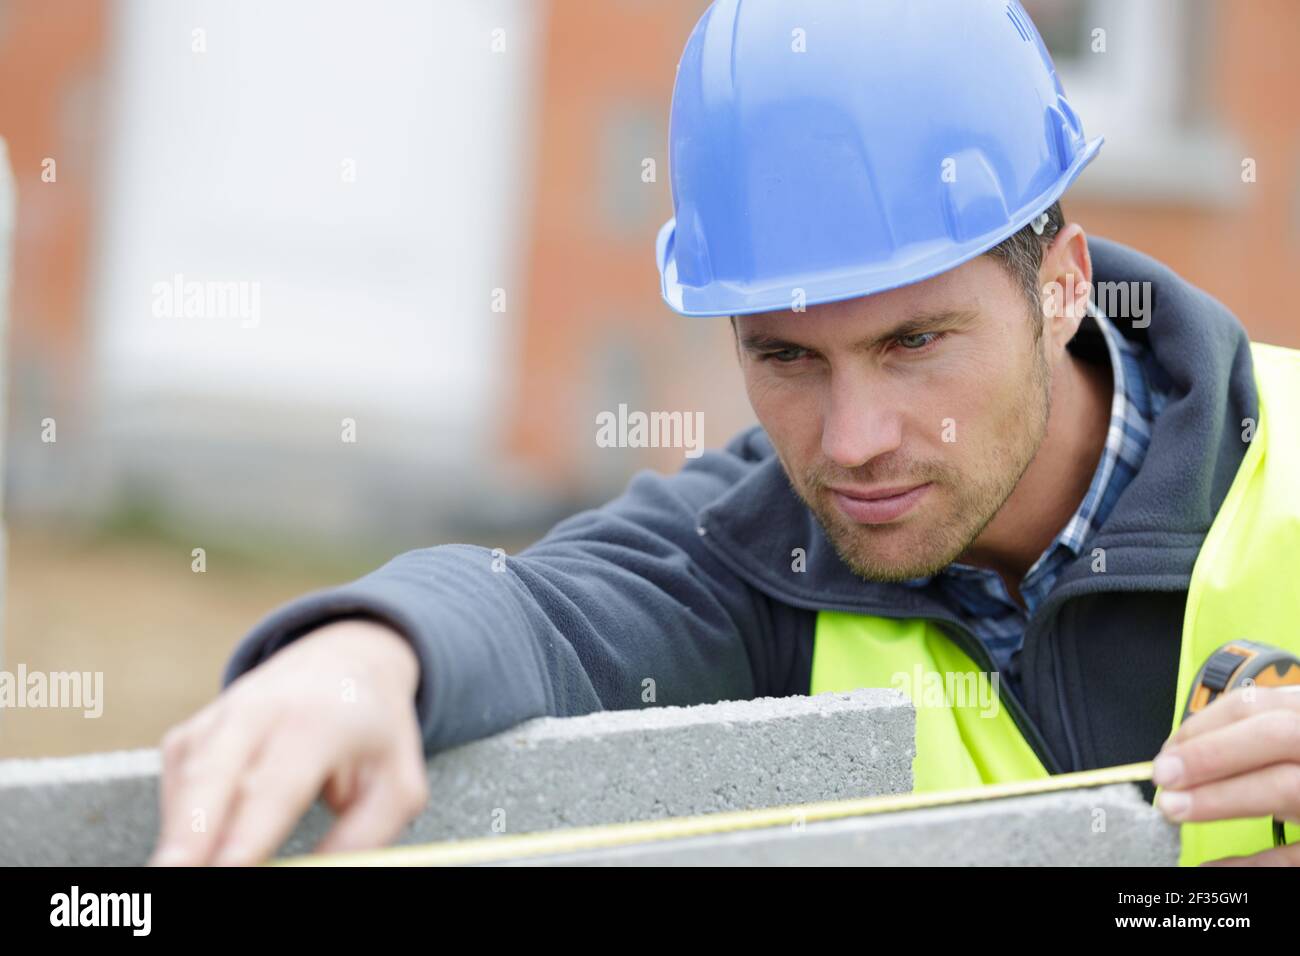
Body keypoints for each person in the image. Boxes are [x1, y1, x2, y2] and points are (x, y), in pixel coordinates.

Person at [149, 0, 1300, 867]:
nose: (850, 444)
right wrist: (366, 654)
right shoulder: (764, 554)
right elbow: (534, 613)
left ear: (1058, 286)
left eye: (913, 344)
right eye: (786, 356)